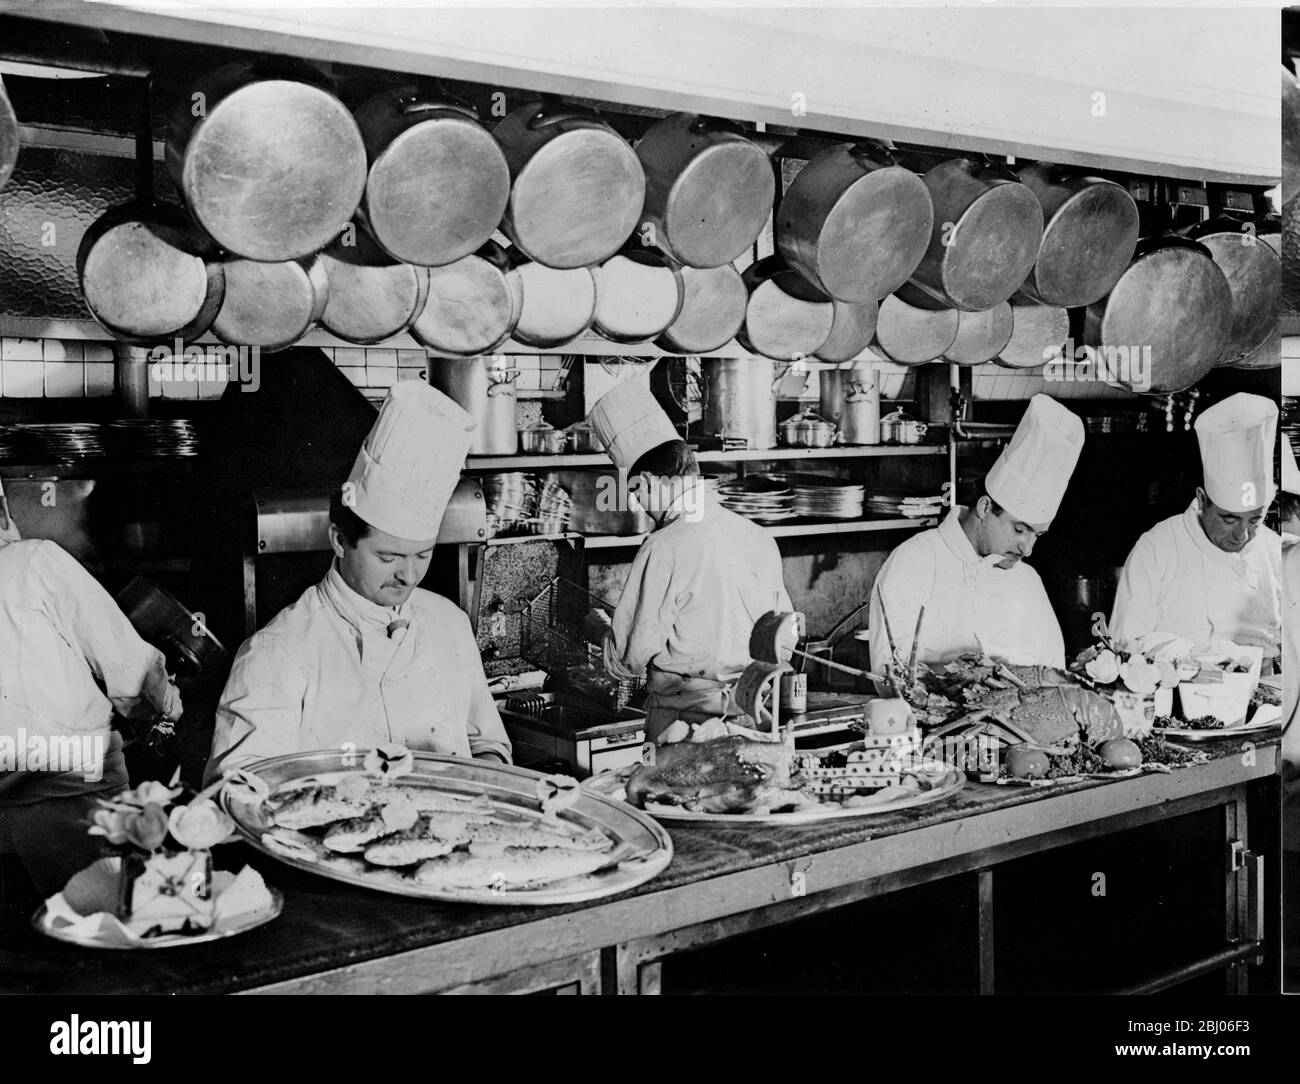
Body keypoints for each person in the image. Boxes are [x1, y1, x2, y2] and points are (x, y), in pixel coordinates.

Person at [208, 382, 511, 778]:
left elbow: (487, 743)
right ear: (339, 540)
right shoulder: (278, 651)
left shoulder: (449, 624)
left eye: (423, 555)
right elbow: (239, 786)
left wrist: (478, 776)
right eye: (388, 556)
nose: (409, 575)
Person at [583, 376, 792, 741]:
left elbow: (626, 662)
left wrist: (600, 628)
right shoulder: (757, 536)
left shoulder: (663, 546)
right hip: (752, 720)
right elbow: (784, 637)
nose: (638, 505)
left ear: (647, 481)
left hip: (684, 727)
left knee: (665, 798)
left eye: (636, 493)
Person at [0, 479, 183, 896]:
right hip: (75, 809)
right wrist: (165, 708)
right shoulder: (33, 561)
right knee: (100, 927)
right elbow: (131, 670)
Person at [868, 394, 1085, 679]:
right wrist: (973, 672)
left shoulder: (1027, 582)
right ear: (984, 507)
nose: (1028, 549)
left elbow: (1054, 679)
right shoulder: (914, 562)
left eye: (1038, 535)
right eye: (1019, 529)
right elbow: (889, 675)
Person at [1110, 392, 1281, 662]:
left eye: (1255, 520)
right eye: (1229, 519)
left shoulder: (1275, 550)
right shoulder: (1158, 546)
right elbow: (1125, 642)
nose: (1243, 535)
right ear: (1202, 499)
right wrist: (1202, 655)